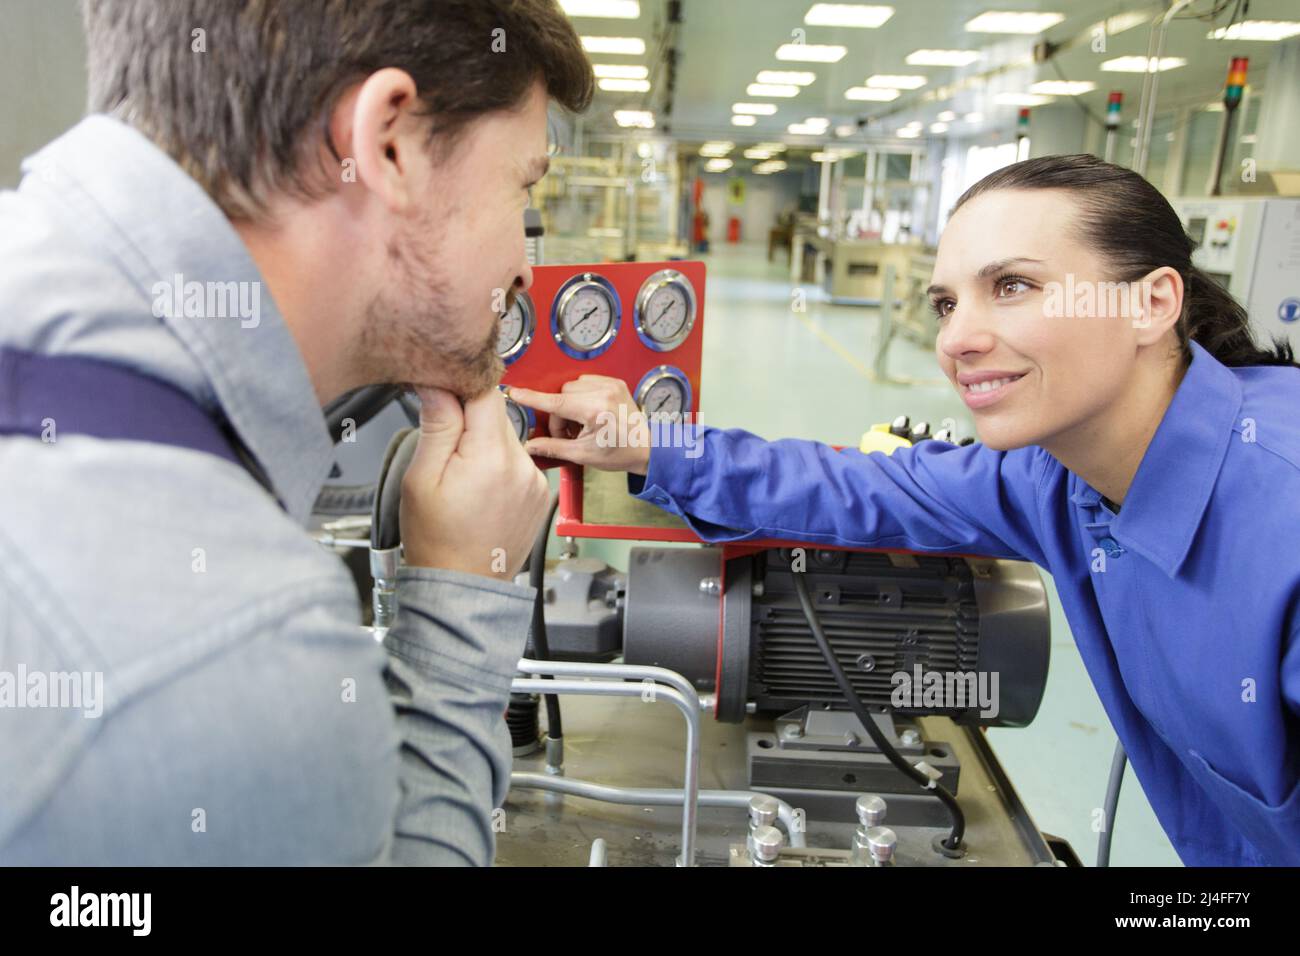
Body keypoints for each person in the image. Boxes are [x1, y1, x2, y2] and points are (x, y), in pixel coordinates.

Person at [510, 154, 1300, 867]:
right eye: (946, 304)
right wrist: (649, 445)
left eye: (1013, 286)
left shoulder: (1282, 519)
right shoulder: (1053, 476)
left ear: (1151, 302)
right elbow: (859, 489)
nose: (957, 338)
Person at [0, 0, 593, 864]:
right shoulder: (236, 670)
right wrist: (462, 616)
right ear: (390, 143)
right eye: (524, 186)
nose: (524, 265)